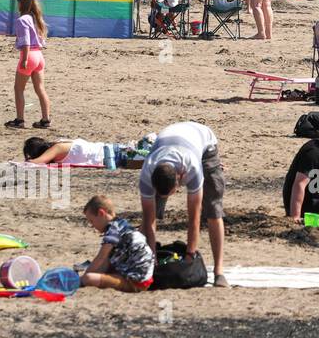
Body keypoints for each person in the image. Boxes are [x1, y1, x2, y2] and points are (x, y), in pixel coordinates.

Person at [138, 121, 227, 288]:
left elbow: (194, 219)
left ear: (180, 177)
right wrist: (153, 258)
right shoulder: (147, 172)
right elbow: (149, 221)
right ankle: (137, 259)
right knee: (150, 215)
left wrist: (189, 255)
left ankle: (219, 272)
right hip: (168, 140)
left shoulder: (192, 168)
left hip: (204, 142)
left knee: (213, 210)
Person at [79, 195, 155, 293]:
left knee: (89, 278)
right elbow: (106, 260)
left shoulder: (113, 231)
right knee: (102, 267)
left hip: (135, 282)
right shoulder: (121, 225)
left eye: (92, 221)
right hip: (142, 277)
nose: (92, 225)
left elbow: (101, 257)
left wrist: (83, 278)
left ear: (101, 213)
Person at [7, 0, 51, 129]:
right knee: (40, 88)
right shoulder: (35, 17)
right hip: (39, 55)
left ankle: (20, 120)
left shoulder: (22, 20)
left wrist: (24, 59)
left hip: (29, 55)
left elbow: (25, 40)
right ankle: (46, 119)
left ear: (20, 4)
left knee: (18, 88)